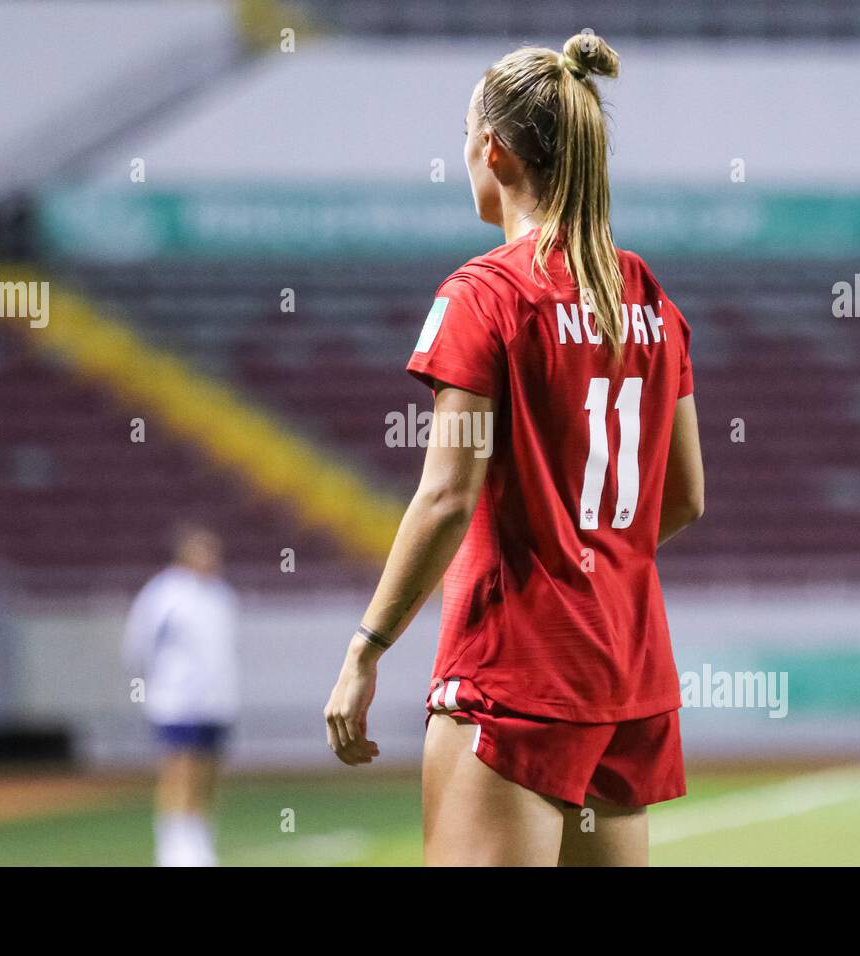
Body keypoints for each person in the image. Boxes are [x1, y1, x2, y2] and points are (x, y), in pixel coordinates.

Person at [324, 34, 704, 866]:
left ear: (492, 149)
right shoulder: (643, 294)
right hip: (627, 675)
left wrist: (366, 649)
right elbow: (682, 498)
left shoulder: (484, 294)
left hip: (514, 674)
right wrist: (590, 555)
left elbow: (446, 498)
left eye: (464, 133)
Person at [123, 523, 240, 867]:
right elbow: (137, 644)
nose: (211, 558)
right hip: (176, 701)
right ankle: (173, 843)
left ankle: (199, 837)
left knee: (208, 772)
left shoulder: (222, 595)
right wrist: (155, 685)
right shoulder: (164, 594)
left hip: (216, 700)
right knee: (179, 769)